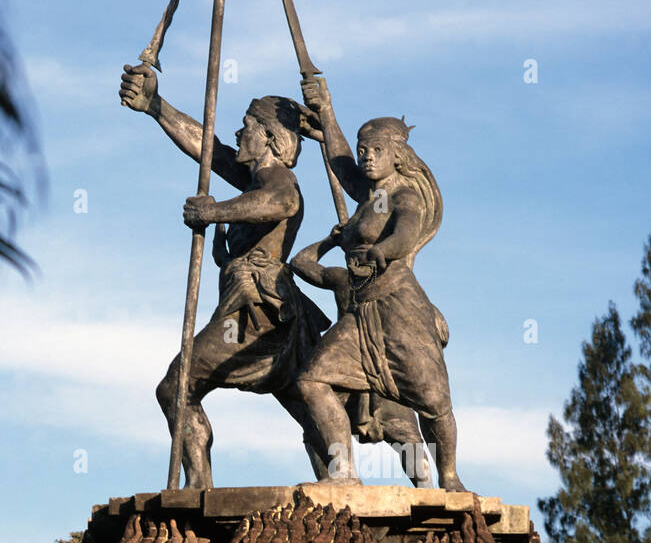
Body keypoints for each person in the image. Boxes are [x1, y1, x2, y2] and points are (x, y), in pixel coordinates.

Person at [118, 64, 329, 487]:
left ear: (270, 137)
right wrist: (156, 106)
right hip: (267, 312)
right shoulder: (254, 179)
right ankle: (339, 482)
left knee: (177, 386)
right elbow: (206, 146)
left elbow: (280, 203)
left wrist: (214, 212)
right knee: (313, 407)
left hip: (255, 313)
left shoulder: (279, 181)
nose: (238, 134)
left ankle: (198, 486)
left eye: (247, 126)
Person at [295, 80, 465, 490]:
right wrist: (327, 111)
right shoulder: (368, 198)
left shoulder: (404, 195)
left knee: (434, 402)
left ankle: (450, 477)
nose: (367, 158)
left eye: (376, 152)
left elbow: (407, 231)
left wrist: (384, 250)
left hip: (398, 306)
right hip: (362, 311)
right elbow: (339, 163)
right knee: (312, 380)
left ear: (397, 155)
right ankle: (344, 475)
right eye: (363, 151)